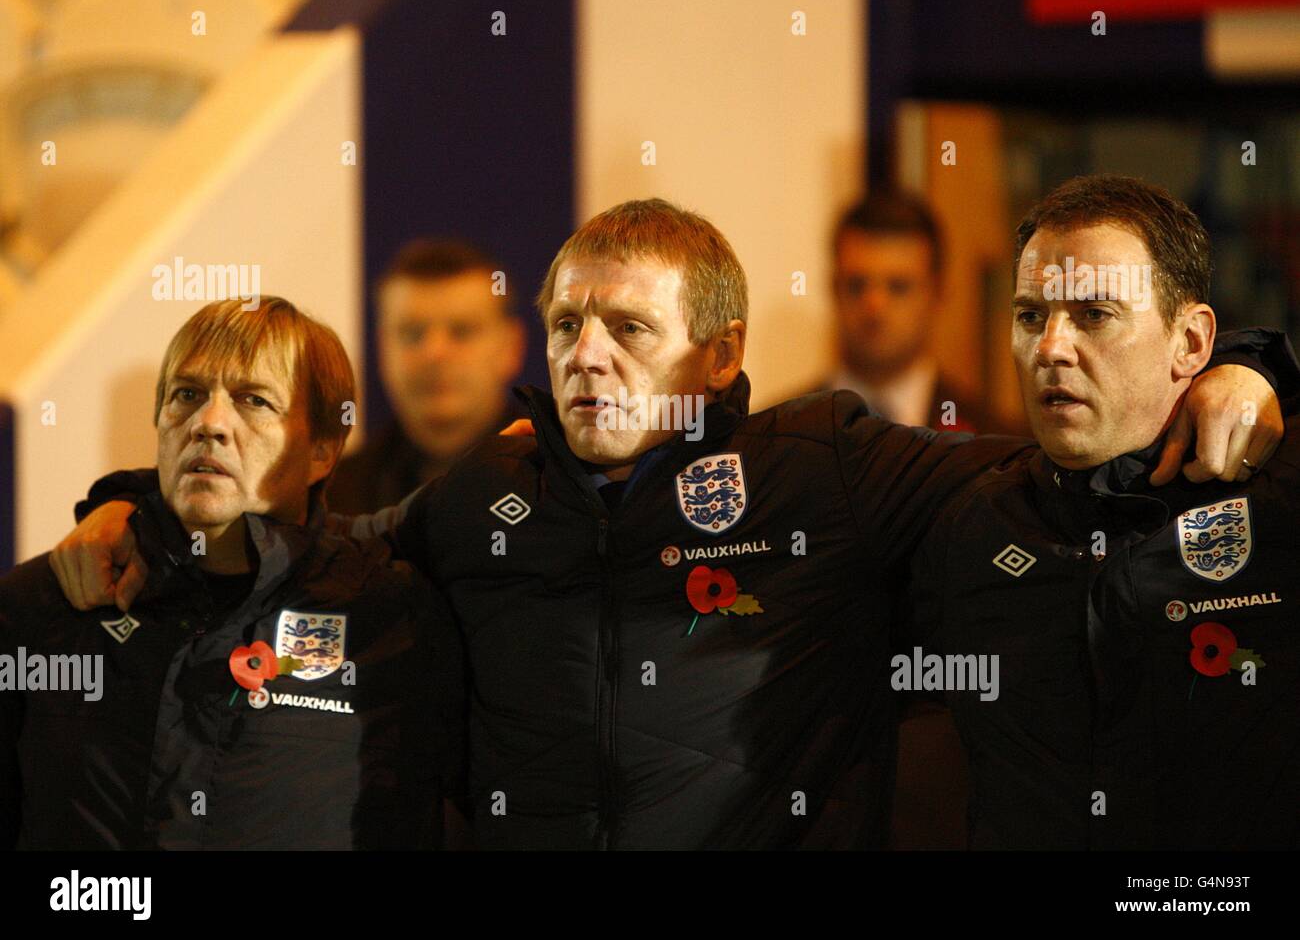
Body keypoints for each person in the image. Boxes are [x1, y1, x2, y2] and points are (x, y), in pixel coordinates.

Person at [47, 199, 1283, 850]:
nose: (587, 355)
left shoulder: (828, 469)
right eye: (567, 324)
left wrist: (1251, 367)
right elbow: (310, 542)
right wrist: (130, 500)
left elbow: (1077, 456)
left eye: (629, 329)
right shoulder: (490, 491)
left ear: (722, 348)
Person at [906, 174, 1300, 848]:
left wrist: (1263, 368)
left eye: (1094, 314)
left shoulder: (1279, 507)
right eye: (1031, 315)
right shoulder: (966, 518)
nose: (1051, 348)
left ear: (1193, 342)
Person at [0, 297, 466, 849]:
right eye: (187, 395)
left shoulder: (394, 618)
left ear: (322, 449)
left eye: (253, 400)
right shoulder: (43, 605)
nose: (209, 423)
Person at [328, 238, 526, 514]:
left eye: (462, 331)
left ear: (511, 347)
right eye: (412, 333)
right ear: (383, 347)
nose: (435, 353)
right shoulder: (333, 499)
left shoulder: (563, 486)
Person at [816, 190, 1015, 433]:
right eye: (857, 285)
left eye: (898, 287)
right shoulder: (778, 436)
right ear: (833, 288)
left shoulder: (992, 444)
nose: (874, 305)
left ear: (938, 293)